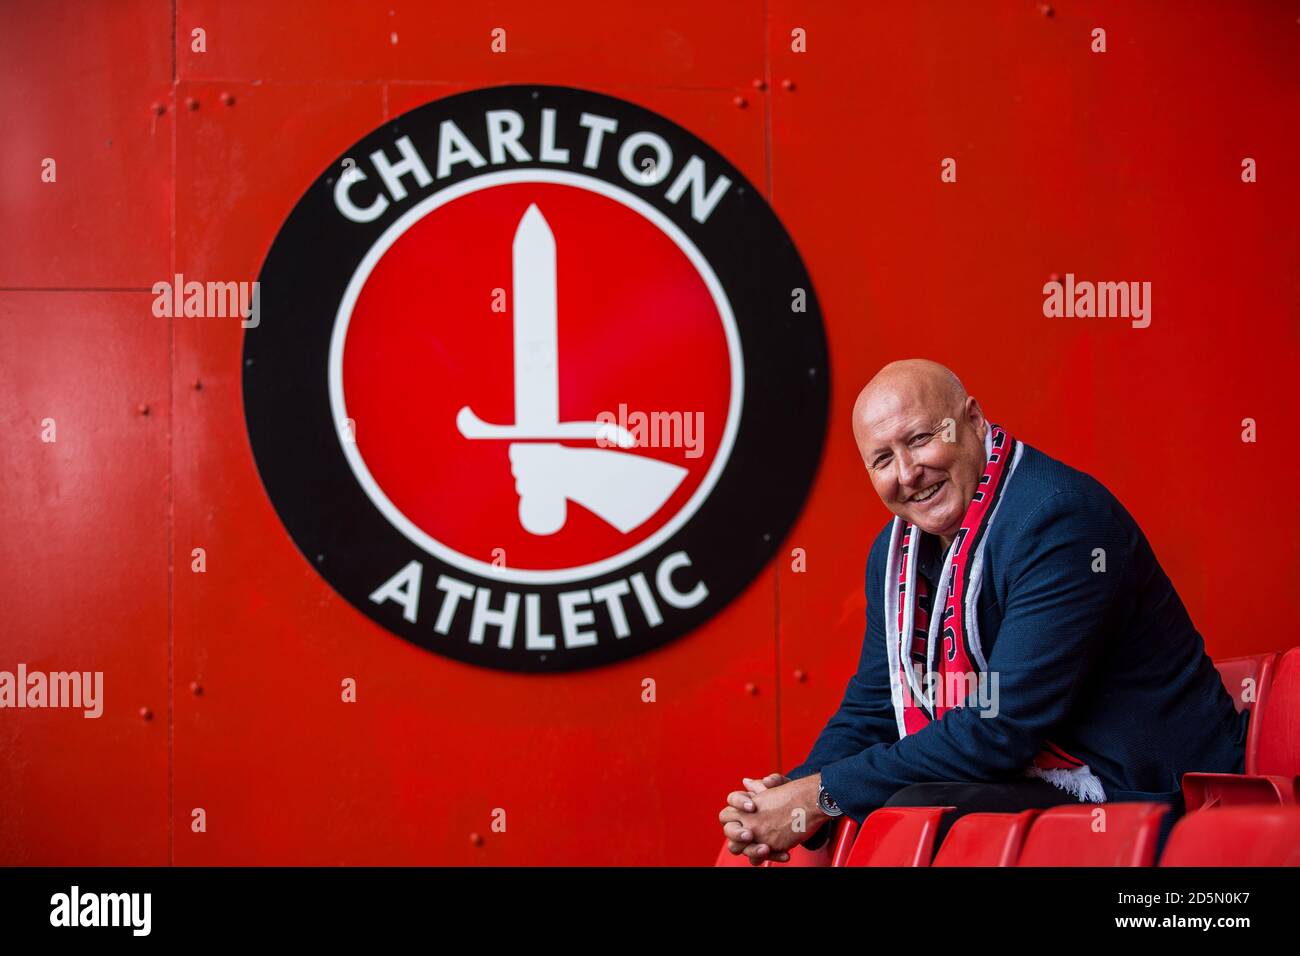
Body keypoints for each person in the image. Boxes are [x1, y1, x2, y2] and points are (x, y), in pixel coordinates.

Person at [719, 359, 1247, 864]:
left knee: (921, 809)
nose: (907, 472)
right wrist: (790, 795)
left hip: (1147, 789)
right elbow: (874, 707)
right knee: (886, 806)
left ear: (973, 420)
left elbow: (1000, 729)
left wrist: (823, 795)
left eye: (921, 438)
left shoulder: (1059, 520)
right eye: (882, 459)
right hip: (1032, 782)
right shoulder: (895, 553)